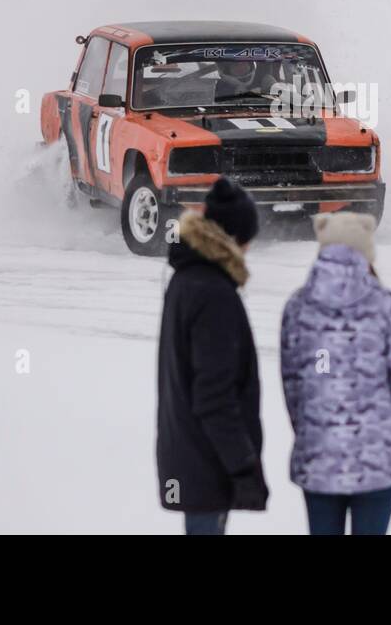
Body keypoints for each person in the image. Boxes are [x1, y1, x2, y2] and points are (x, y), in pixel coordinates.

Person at [280, 212, 391, 535]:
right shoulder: (386, 305)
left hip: (318, 458)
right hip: (379, 458)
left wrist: (310, 432)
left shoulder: (298, 306)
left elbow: (293, 386)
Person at [156, 177, 268, 535]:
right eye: (248, 239)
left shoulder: (187, 279)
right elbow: (213, 395)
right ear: (234, 238)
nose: (249, 248)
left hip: (192, 453)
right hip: (208, 460)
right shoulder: (213, 293)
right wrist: (242, 465)